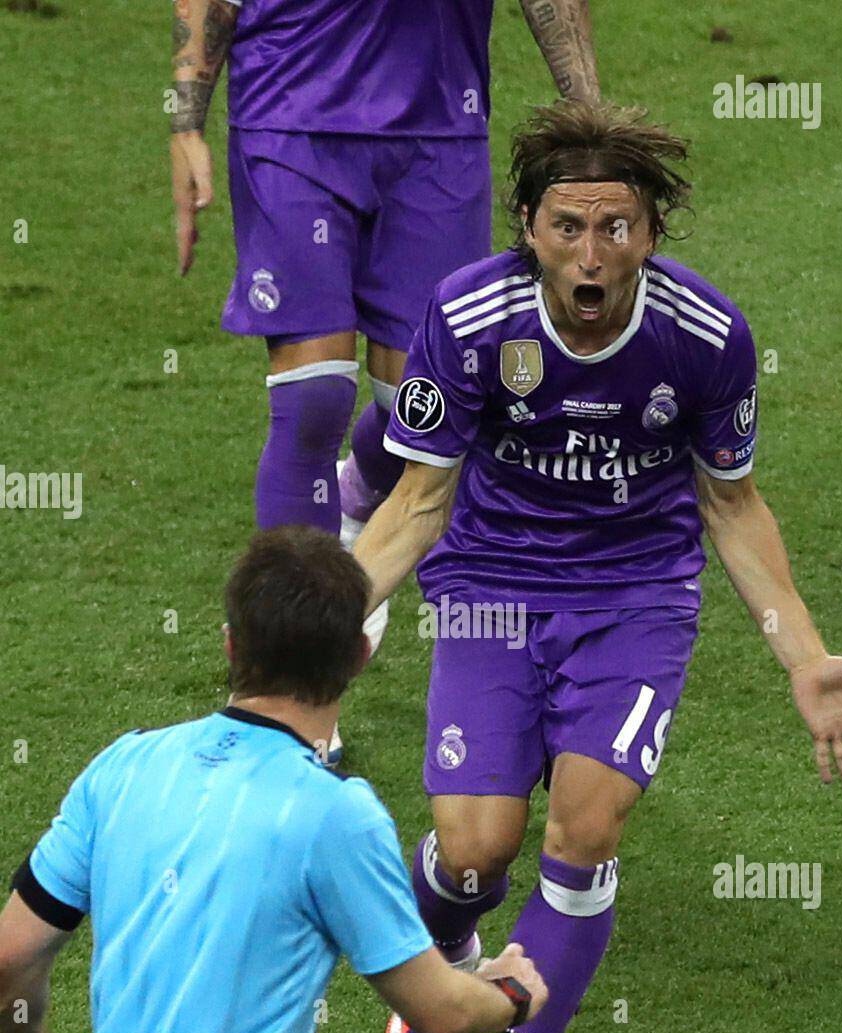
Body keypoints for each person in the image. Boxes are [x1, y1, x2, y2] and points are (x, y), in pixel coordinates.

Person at [352, 101, 842, 1033]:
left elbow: (732, 506)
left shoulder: (703, 337)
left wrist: (803, 656)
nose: (591, 253)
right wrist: (323, 630)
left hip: (633, 595)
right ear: (526, 226)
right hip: (492, 587)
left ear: (651, 233)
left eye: (616, 227)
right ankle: (445, 965)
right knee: (471, 853)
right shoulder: (467, 318)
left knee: (584, 831)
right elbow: (418, 500)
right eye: (567, 226)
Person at [0, 527, 546, 1033]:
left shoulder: (124, 767)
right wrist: (511, 993)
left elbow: (12, 959)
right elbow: (440, 1013)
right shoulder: (334, 815)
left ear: (231, 644)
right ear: (359, 655)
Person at [168, 1, 600, 692]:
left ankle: (359, 492)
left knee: (422, 411)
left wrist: (589, 121)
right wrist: (186, 123)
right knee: (313, 399)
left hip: (436, 126)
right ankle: (292, 686)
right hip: (290, 112)